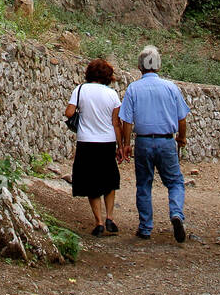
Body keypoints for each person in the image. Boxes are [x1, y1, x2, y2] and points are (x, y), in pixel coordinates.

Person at [119, 45, 190, 243]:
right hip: (166, 141)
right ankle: (176, 213)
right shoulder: (171, 87)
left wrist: (126, 144)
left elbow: (127, 121)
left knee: (143, 184)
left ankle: (145, 228)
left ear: (140, 66)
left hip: (143, 142)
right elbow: (182, 119)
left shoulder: (133, 88)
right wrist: (181, 138)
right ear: (158, 65)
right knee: (175, 181)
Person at [64, 59, 123, 236]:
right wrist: (121, 147)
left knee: (91, 182)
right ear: (107, 76)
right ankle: (110, 217)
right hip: (107, 142)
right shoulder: (112, 94)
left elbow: (69, 113)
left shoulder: (80, 90)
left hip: (86, 141)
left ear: (89, 73)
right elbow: (116, 123)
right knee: (109, 180)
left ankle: (98, 221)